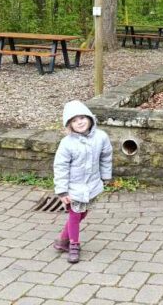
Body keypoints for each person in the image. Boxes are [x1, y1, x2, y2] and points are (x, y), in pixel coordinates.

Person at [52, 100, 113, 263]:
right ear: (69, 125)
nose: (79, 122)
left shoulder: (101, 137)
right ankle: (74, 244)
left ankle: (62, 240)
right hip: (74, 187)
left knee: (82, 213)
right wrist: (62, 191)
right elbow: (60, 167)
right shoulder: (67, 143)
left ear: (90, 118)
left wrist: (106, 176)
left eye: (82, 118)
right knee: (75, 214)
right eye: (74, 120)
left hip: (92, 185)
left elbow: (106, 158)